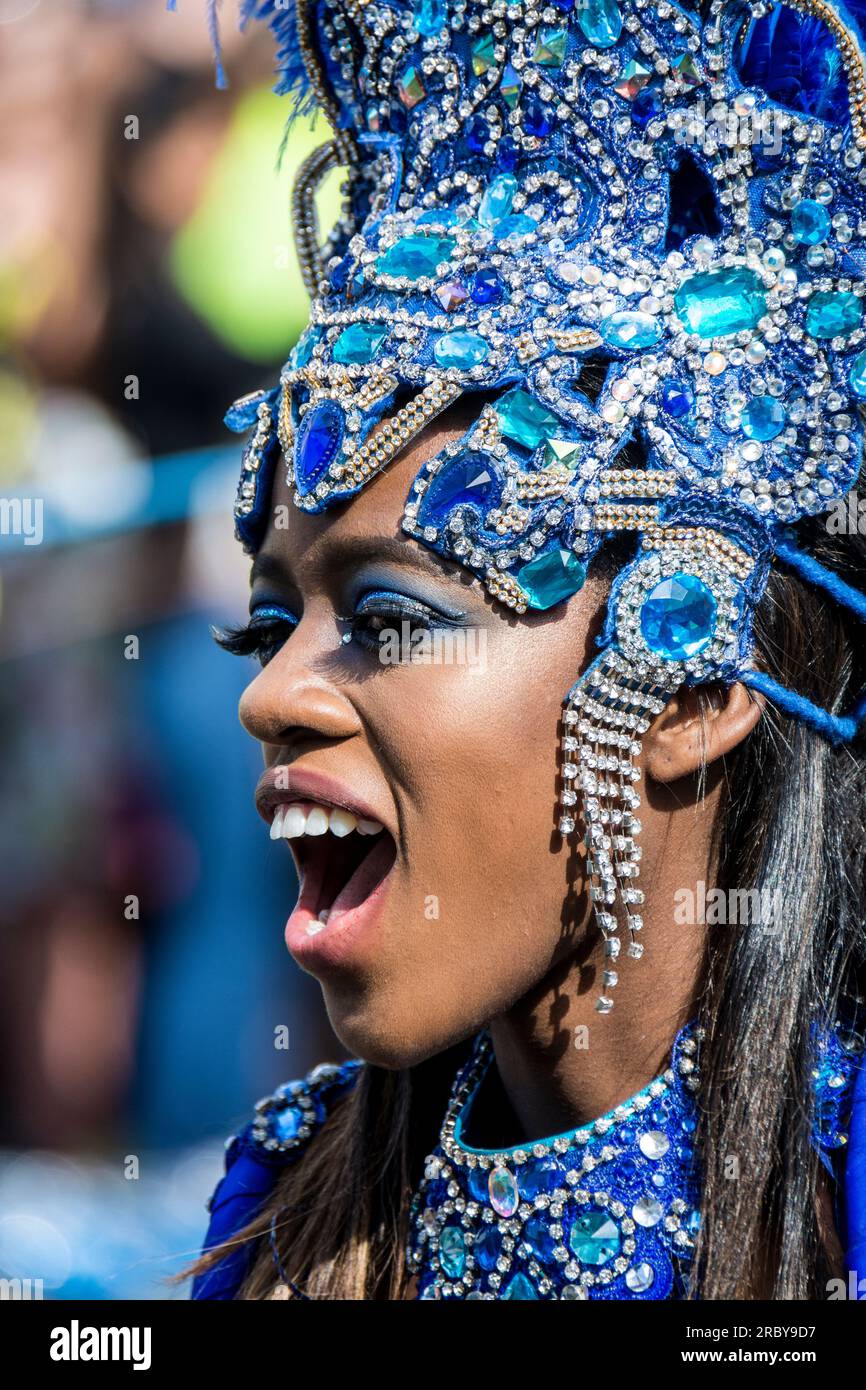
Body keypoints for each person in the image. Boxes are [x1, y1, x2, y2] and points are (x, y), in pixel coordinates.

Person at [186, 0, 866, 1299]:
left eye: (391, 618)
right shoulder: (285, 1214)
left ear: (691, 680)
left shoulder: (838, 1198)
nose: (270, 694)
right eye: (271, 625)